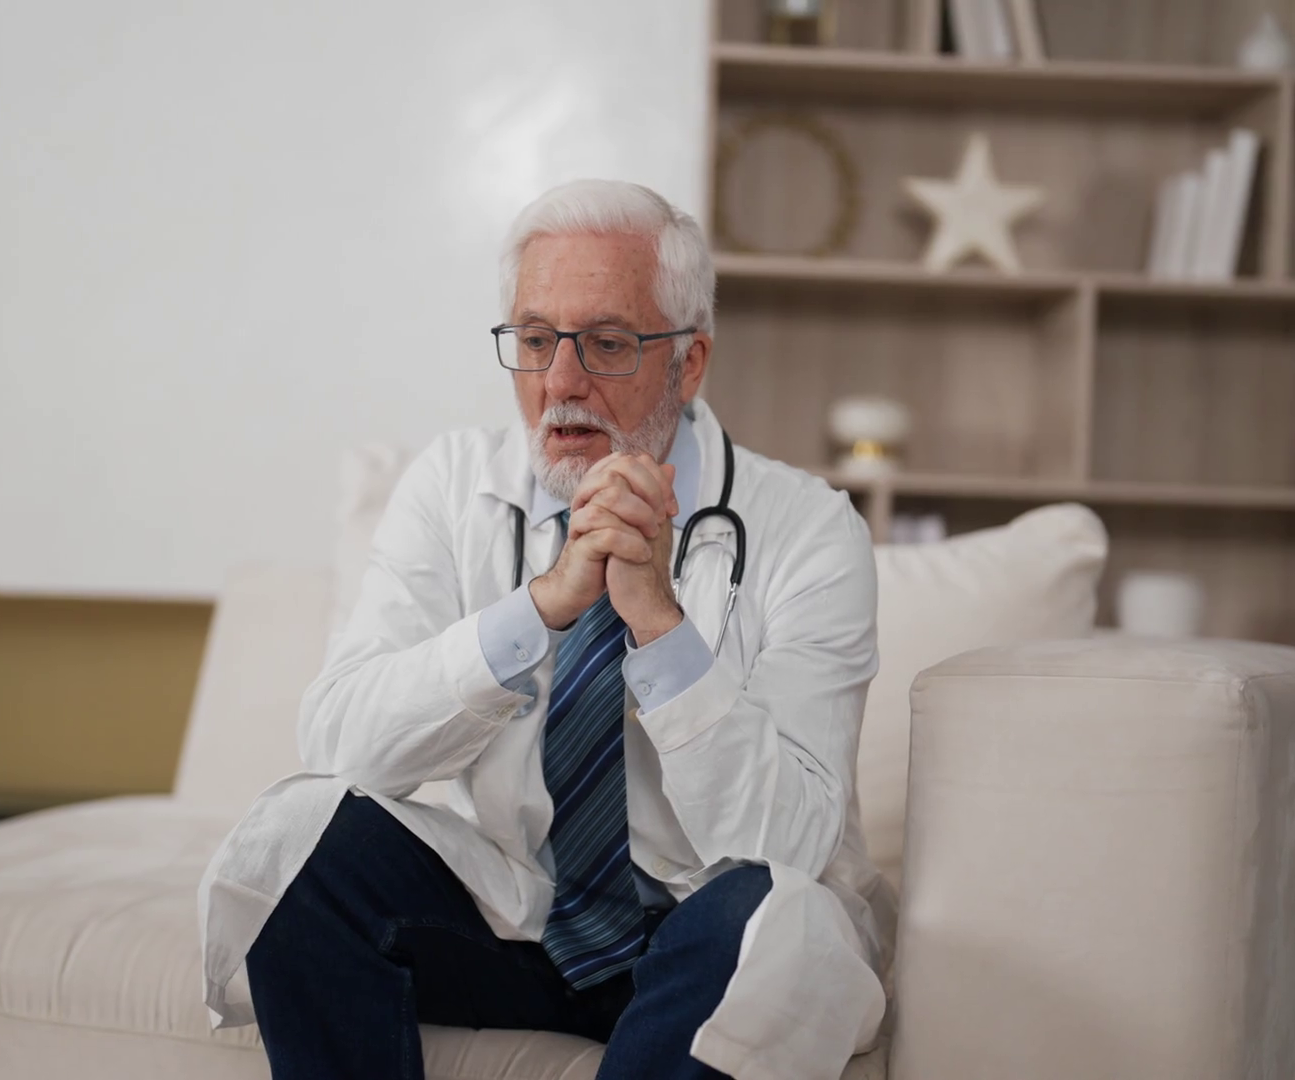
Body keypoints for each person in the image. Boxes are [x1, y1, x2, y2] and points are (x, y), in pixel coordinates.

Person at [198, 179, 890, 1080]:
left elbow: (789, 845)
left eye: (605, 343)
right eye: (534, 341)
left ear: (688, 363)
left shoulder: (810, 530)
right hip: (526, 921)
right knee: (299, 841)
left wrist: (656, 618)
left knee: (762, 918)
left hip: (701, 934)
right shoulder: (449, 484)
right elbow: (342, 742)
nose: (560, 384)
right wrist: (541, 607)